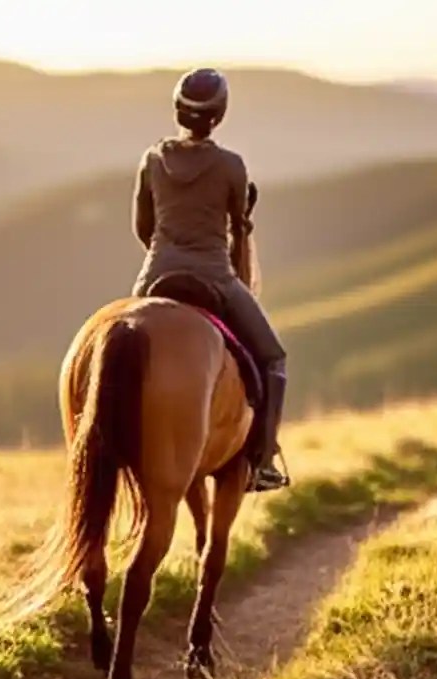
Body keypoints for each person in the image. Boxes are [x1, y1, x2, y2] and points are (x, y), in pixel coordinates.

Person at [130, 68, 289, 491]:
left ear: (178, 110)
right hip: (215, 278)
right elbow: (239, 231)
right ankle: (264, 459)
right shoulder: (232, 167)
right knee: (273, 359)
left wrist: (168, 254)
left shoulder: (151, 160)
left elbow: (143, 229)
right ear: (219, 115)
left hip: (154, 278)